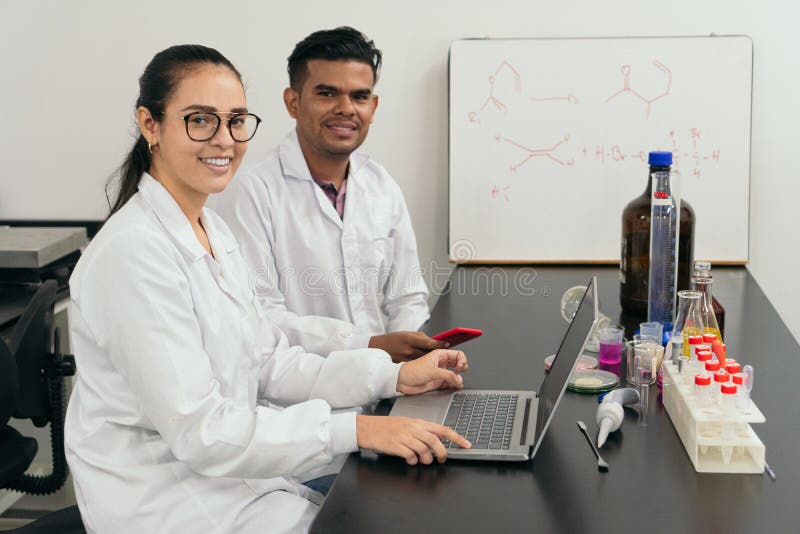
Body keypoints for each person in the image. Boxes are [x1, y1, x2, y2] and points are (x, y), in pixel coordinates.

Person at [64, 44, 470, 534]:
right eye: (200, 119)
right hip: (170, 503)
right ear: (150, 124)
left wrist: (392, 378)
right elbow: (202, 431)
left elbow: (269, 359)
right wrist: (358, 427)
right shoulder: (132, 255)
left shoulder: (211, 230)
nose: (225, 139)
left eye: (236, 120)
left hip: (239, 482)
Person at [215, 27, 441, 363]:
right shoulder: (251, 189)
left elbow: (407, 297)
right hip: (296, 404)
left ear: (373, 106)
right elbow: (262, 315)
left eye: (360, 97)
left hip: (385, 383)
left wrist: (415, 355)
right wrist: (368, 346)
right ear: (293, 102)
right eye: (327, 93)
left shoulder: (381, 186)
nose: (346, 109)